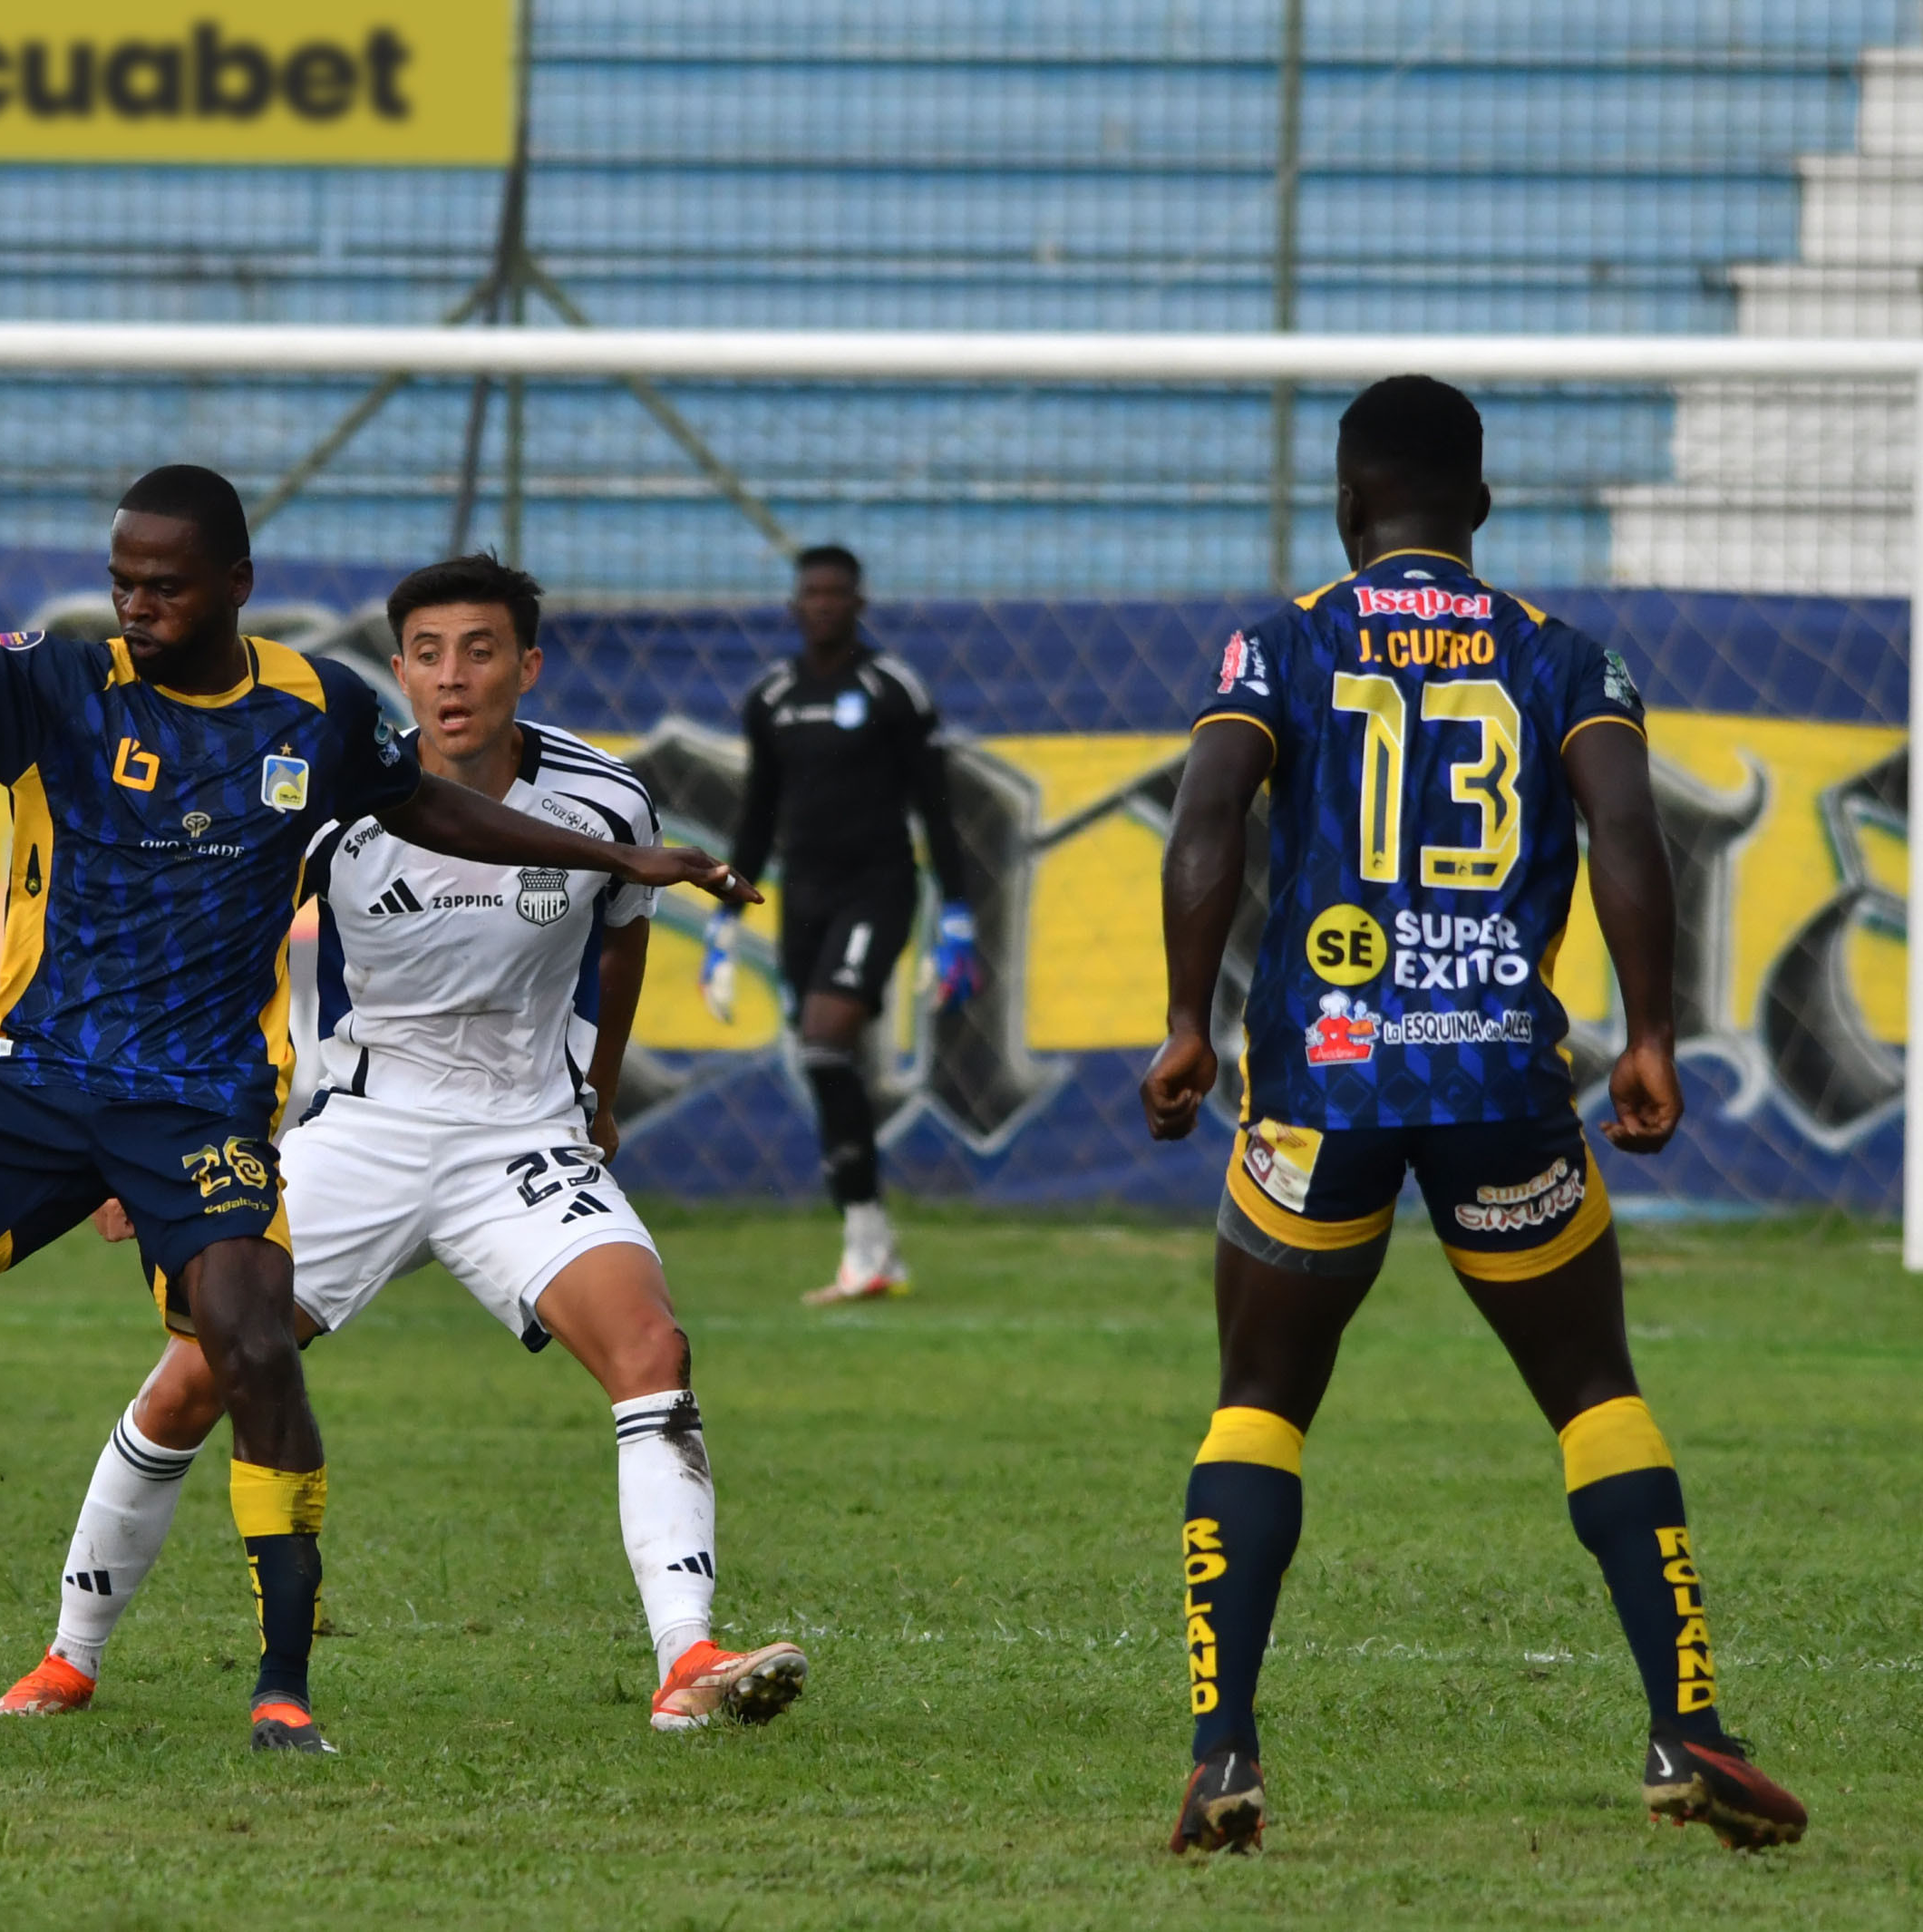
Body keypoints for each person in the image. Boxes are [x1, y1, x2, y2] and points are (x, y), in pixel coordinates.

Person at [0, 411, 757, 1754]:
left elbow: (431, 810)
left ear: (234, 582)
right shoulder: (56, 684)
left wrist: (626, 876)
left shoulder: (324, 714)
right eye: (124, 576)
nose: (137, 601)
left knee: (276, 1353)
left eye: (165, 582)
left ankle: (312, 1682)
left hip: (224, 1108)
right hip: (46, 1076)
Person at [1138, 375, 1807, 1854]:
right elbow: (1625, 831)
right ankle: (1686, 1725)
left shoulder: (1284, 641)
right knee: (1595, 1394)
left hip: (1323, 1076)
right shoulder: (1567, 656)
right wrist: (1648, 1034)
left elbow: (1207, 818)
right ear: (1481, 504)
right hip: (1501, 1069)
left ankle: (1221, 1752)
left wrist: (1188, 1019)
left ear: (1345, 500)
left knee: (1259, 1399)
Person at [0, 554, 807, 1735]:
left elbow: (621, 934)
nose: (452, 676)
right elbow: (215, 953)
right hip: (361, 1128)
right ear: (401, 666)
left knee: (650, 1340)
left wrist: (600, 1090)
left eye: (480, 650)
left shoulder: (605, 801)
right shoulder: (328, 790)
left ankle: (688, 1658)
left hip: (520, 1134)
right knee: (192, 1378)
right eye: (427, 652)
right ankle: (68, 1659)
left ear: (527, 664)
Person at [701, 546, 977, 1305]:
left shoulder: (891, 689)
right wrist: (725, 920)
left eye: (836, 593)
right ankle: (871, 1242)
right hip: (805, 895)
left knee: (826, 1037)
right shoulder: (773, 697)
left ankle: (864, 1240)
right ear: (795, 605)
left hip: (879, 888)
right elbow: (757, 814)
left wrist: (956, 913)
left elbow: (935, 806)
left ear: (860, 603)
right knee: (821, 1057)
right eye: (810, 593)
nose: (822, 604)